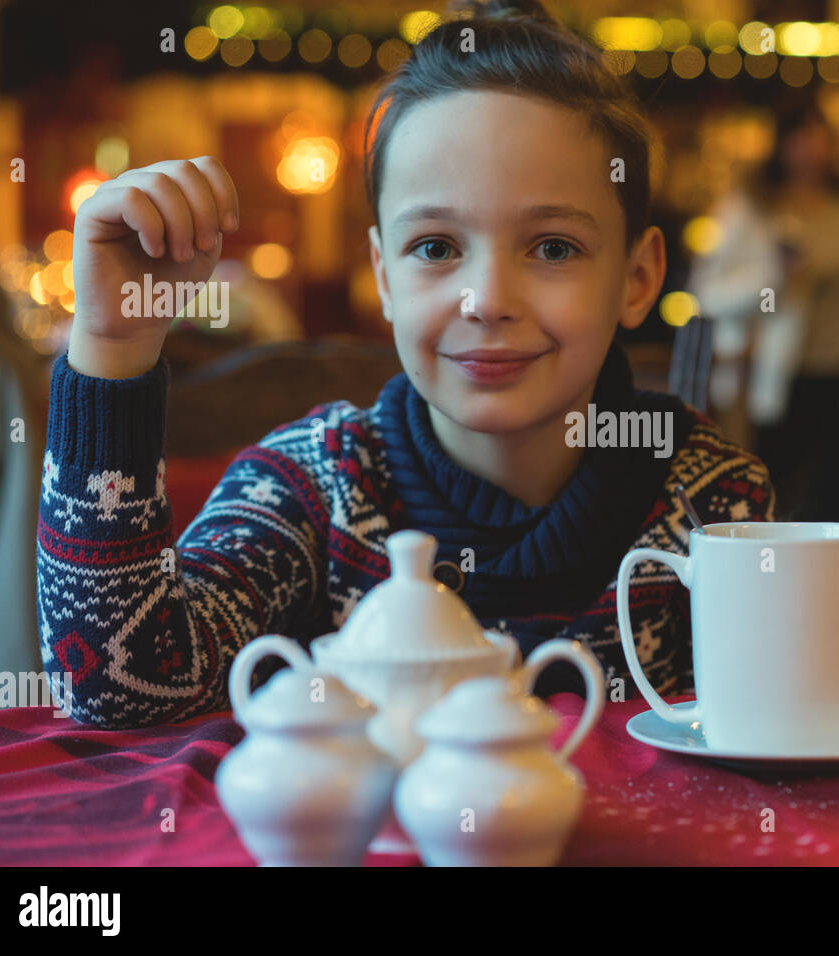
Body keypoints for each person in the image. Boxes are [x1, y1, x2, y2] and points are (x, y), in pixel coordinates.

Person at [39, 0, 774, 729]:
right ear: (384, 275)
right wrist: (113, 345)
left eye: (553, 248)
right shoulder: (317, 487)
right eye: (436, 248)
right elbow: (116, 686)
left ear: (638, 278)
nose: (486, 300)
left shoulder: (710, 501)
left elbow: (789, 737)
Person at [689, 106, 839, 526]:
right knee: (774, 500)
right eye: (800, 138)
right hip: (783, 376)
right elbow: (708, 293)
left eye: (818, 138)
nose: (809, 150)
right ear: (781, 144)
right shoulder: (753, 207)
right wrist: (774, 276)